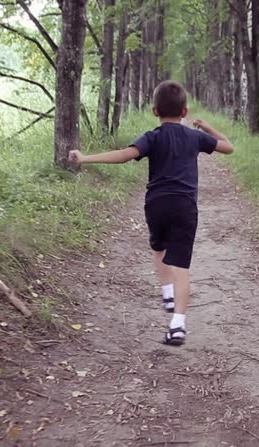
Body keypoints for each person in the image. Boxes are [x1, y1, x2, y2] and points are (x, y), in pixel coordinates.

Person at [68, 80, 234, 346]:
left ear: (154, 111)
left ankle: (166, 291)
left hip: (156, 204)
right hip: (185, 206)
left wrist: (85, 158)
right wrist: (205, 126)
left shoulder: (152, 137)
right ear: (185, 112)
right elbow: (228, 146)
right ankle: (177, 324)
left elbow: (124, 155)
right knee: (181, 266)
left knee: (159, 249)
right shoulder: (195, 137)